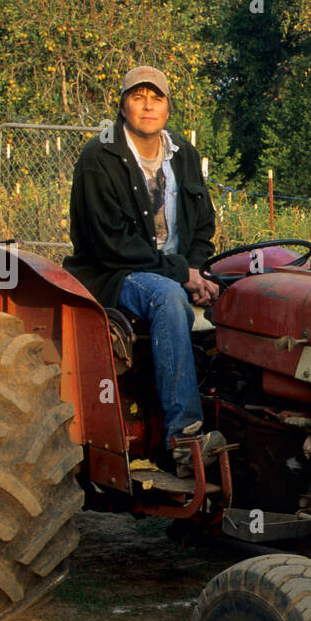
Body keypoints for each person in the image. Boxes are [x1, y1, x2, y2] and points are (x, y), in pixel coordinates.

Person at [64, 66, 225, 476]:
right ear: (122, 106)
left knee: (246, 292)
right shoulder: (99, 157)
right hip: (115, 275)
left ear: (169, 106)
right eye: (138, 96)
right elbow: (111, 244)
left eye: (157, 97)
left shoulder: (183, 154)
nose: (148, 105)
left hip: (174, 269)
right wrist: (181, 276)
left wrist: (195, 269)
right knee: (167, 297)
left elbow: (203, 224)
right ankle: (184, 439)